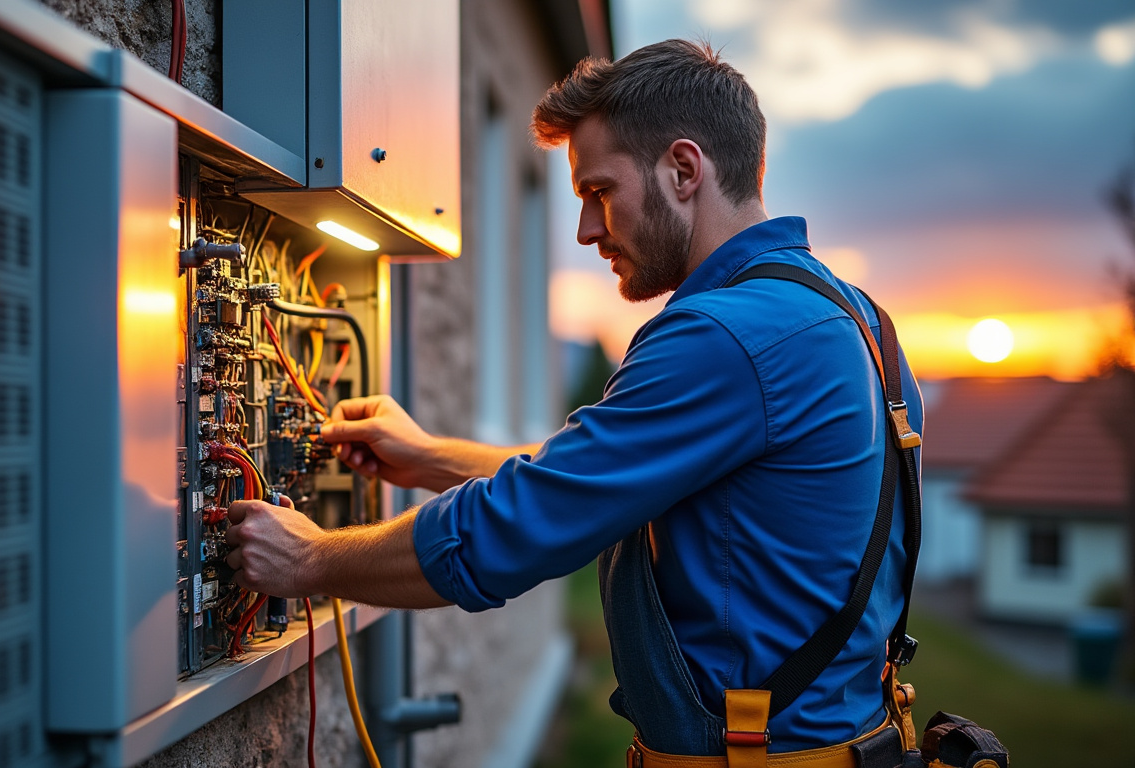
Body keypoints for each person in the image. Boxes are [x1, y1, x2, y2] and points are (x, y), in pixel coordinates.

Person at [226, 39, 923, 763]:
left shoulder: (721, 337)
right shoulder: (858, 322)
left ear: (683, 170)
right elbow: (606, 477)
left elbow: (514, 530)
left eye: (599, 192)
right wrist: (430, 458)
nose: (588, 230)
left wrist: (307, 560)